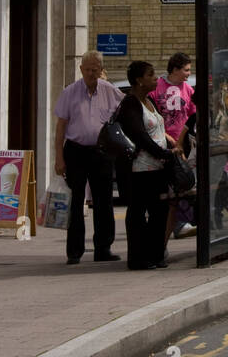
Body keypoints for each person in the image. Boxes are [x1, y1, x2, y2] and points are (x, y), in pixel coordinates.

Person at [53, 50, 124, 266]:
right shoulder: (70, 92)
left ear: (101, 70)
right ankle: (74, 252)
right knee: (75, 201)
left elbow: (122, 115)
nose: (91, 74)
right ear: (81, 70)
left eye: (95, 70)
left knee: (104, 201)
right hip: (75, 151)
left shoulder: (110, 91)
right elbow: (61, 128)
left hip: (101, 152)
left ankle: (103, 248)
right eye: (87, 70)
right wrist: (59, 158)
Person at [116, 60, 178, 270]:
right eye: (150, 74)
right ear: (138, 80)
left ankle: (156, 255)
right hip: (140, 170)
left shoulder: (149, 100)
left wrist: (167, 148)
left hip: (158, 168)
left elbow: (157, 129)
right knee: (138, 213)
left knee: (159, 211)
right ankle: (138, 258)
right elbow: (140, 136)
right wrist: (162, 153)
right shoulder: (130, 103)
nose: (155, 77)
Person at [150, 52, 197, 240]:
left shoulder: (188, 89)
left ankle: (179, 223)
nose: (188, 74)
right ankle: (171, 225)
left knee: (182, 185)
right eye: (186, 70)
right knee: (168, 188)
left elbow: (192, 115)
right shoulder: (157, 87)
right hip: (163, 144)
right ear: (175, 69)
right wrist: (167, 137)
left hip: (183, 145)